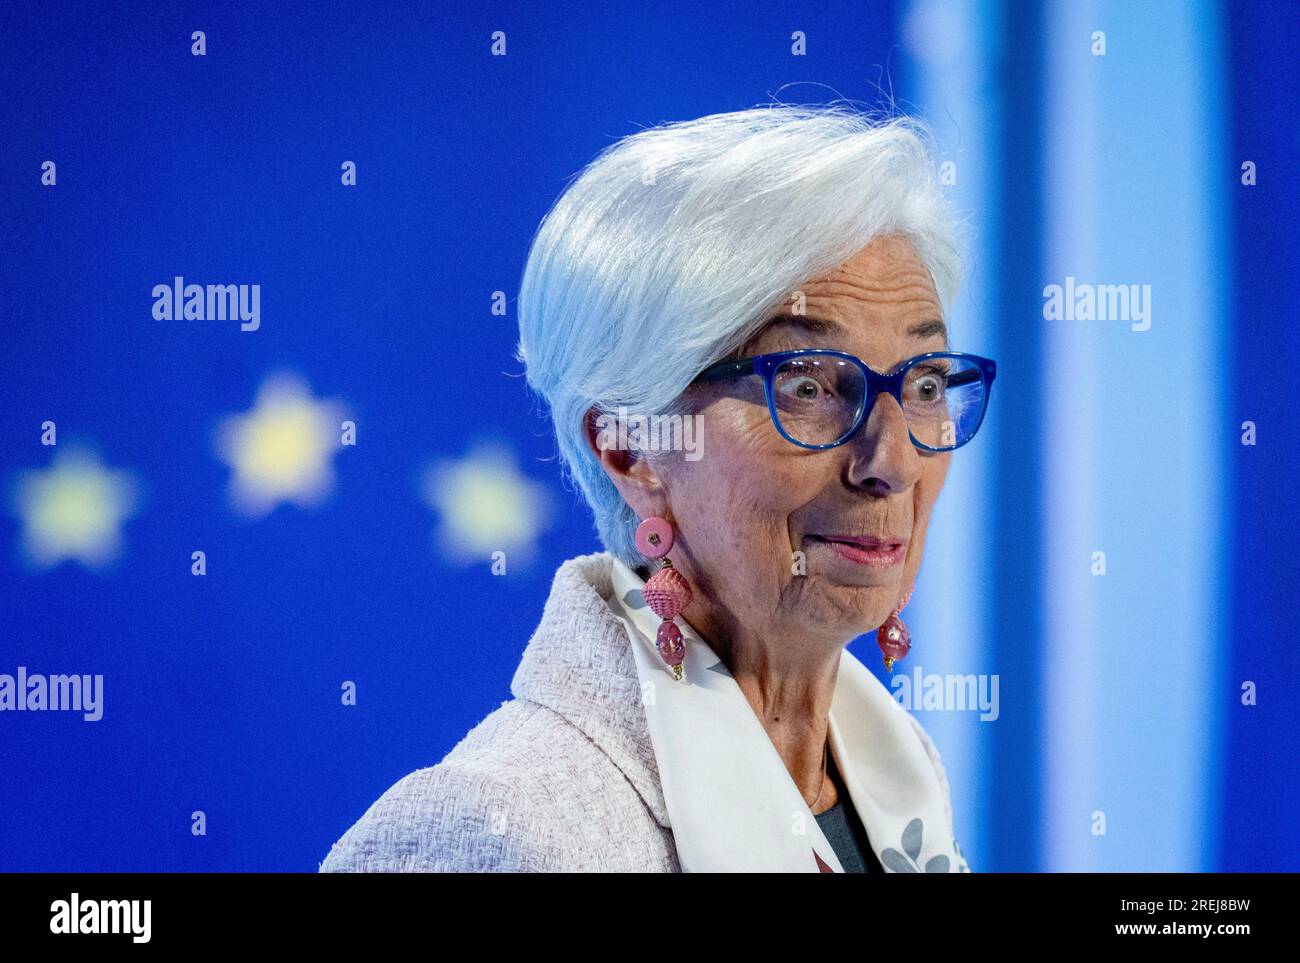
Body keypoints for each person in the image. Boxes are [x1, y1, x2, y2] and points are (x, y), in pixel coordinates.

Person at [320, 102, 994, 872]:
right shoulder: (492, 829)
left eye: (927, 382)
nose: (892, 460)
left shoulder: (900, 770)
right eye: (807, 385)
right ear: (631, 449)